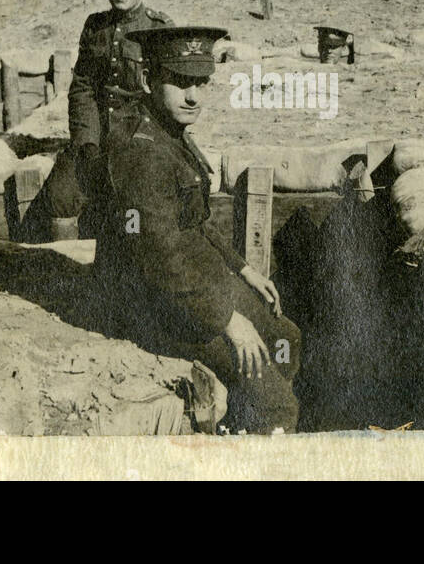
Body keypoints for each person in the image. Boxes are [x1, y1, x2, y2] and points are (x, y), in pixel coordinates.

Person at [95, 25, 302, 433]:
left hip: (192, 285)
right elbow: (160, 260)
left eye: (201, 83)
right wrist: (229, 321)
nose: (193, 96)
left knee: (286, 337)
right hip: (155, 306)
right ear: (148, 80)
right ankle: (260, 426)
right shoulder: (144, 154)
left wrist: (243, 270)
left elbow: (197, 220)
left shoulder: (169, 133)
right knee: (280, 407)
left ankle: (237, 420)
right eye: (179, 82)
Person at [22, 0, 173, 241]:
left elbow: (166, 99)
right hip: (97, 139)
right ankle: (66, 273)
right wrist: (86, 142)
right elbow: (83, 89)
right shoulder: (95, 27)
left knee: (135, 208)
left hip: (141, 143)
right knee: (60, 196)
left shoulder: (159, 28)